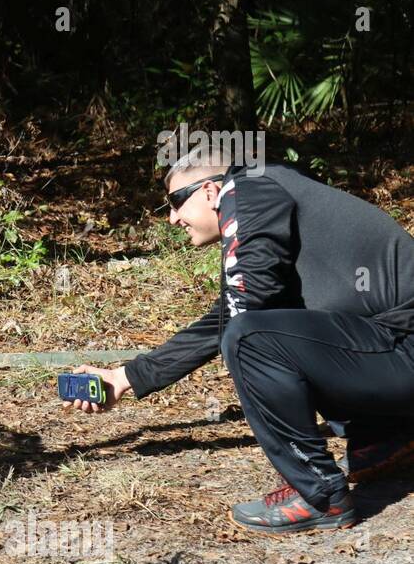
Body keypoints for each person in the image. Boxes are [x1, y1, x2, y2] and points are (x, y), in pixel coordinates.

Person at [68, 147, 414, 535]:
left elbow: (244, 319)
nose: (172, 218)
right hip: (394, 350)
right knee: (268, 329)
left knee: (251, 338)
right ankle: (385, 435)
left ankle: (319, 495)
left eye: (176, 201)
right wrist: (124, 377)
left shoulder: (247, 188)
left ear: (210, 190)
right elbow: (227, 318)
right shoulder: (272, 190)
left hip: (401, 350)